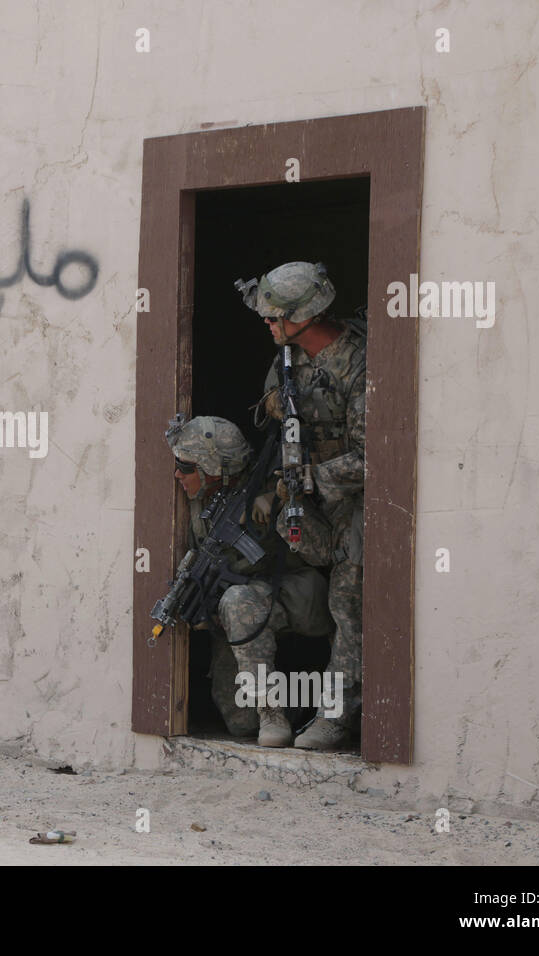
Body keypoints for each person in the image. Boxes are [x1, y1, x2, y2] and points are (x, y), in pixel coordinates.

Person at [236, 261, 366, 750]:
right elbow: (278, 432)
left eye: (275, 316)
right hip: (300, 504)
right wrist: (274, 486)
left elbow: (373, 456)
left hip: (350, 500)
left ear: (306, 315)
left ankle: (336, 716)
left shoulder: (357, 364)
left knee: (347, 602)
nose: (267, 324)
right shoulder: (287, 360)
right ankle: (261, 711)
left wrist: (312, 477)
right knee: (243, 588)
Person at [165, 415, 334, 747]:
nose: (177, 474)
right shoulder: (203, 507)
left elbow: (324, 552)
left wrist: (280, 504)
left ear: (214, 468)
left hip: (299, 594)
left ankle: (272, 712)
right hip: (246, 613)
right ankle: (298, 704)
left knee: (238, 600)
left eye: (185, 467)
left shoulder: (272, 486)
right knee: (239, 722)